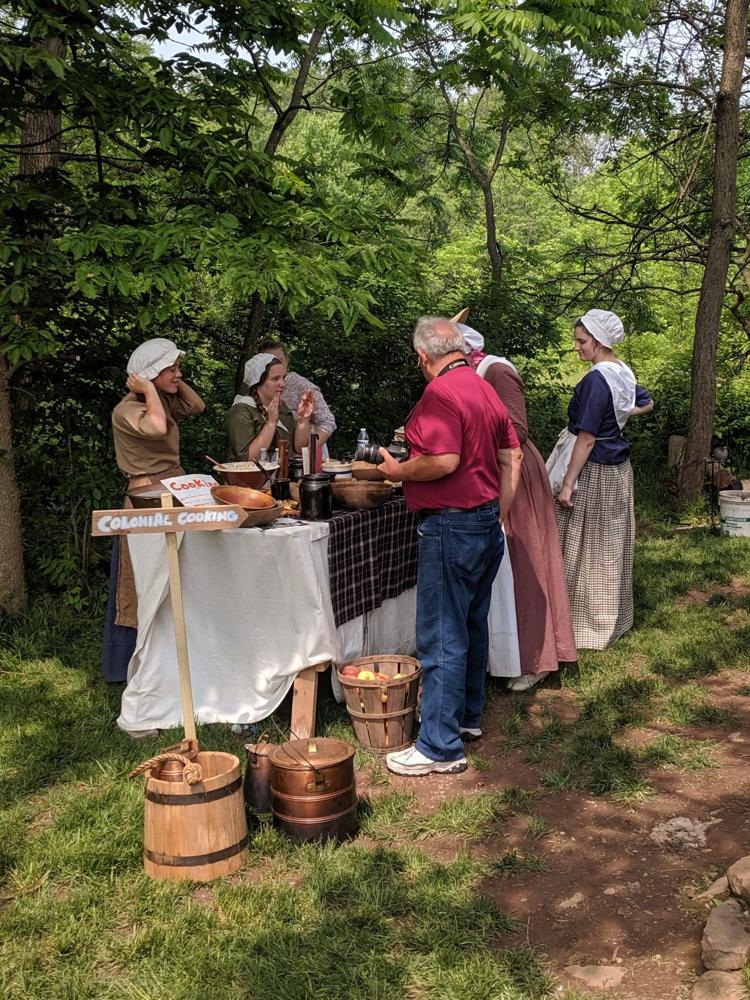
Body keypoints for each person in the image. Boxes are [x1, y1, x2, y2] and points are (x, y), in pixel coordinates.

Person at [378, 316, 523, 777]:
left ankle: (439, 747)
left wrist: (397, 472)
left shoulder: (440, 393)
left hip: (451, 525)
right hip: (483, 521)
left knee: (441, 634)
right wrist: (500, 512)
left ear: (424, 356)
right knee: (471, 625)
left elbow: (444, 460)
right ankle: (467, 718)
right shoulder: (484, 388)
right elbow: (511, 456)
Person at [458, 322, 577, 691]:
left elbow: (517, 430)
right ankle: (503, 655)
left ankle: (538, 659)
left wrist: (465, 434)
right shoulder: (472, 374)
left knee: (525, 564)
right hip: (489, 473)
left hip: (515, 474)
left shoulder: (498, 370)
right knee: (500, 570)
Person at [102, 337, 206, 686]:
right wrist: (148, 384)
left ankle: (177, 656)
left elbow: (196, 406)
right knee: (143, 581)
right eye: (172, 369)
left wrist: (165, 379)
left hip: (173, 488)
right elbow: (158, 427)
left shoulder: (159, 401)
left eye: (179, 368)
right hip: (145, 496)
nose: (179, 374)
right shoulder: (128, 410)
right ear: (148, 376)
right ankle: (134, 661)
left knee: (178, 573)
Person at [554, 309, 653, 649]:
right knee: (609, 546)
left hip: (594, 468)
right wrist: (623, 414)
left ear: (598, 341)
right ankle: (614, 617)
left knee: (585, 544)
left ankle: (585, 624)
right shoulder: (622, 371)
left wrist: (568, 482)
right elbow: (647, 402)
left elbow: (587, 437)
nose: (577, 347)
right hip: (619, 470)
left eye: (582, 341)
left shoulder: (597, 379)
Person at [225, 352, 314, 462]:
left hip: (285, 477)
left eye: (283, 378)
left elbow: (299, 449)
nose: (282, 383)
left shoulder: (281, 406)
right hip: (252, 479)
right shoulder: (241, 412)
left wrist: (303, 419)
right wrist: (271, 423)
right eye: (275, 379)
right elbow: (248, 460)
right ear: (258, 382)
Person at [257, 338, 337, 446]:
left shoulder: (303, 387)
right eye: (270, 362)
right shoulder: (255, 389)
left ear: (287, 360)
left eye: (280, 360)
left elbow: (327, 421)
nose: (276, 365)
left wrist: (308, 450)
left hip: (302, 458)